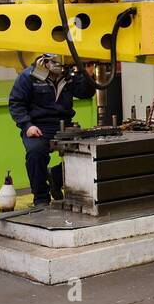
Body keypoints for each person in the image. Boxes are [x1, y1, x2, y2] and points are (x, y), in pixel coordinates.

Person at [8, 54, 96, 205]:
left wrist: (87, 75)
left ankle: (56, 176)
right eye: (57, 64)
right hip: (38, 126)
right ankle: (41, 199)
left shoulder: (68, 75)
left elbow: (85, 93)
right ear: (46, 62)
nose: (60, 69)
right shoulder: (29, 76)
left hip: (64, 125)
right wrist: (27, 126)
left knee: (89, 152)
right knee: (36, 152)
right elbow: (16, 104)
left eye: (63, 66)